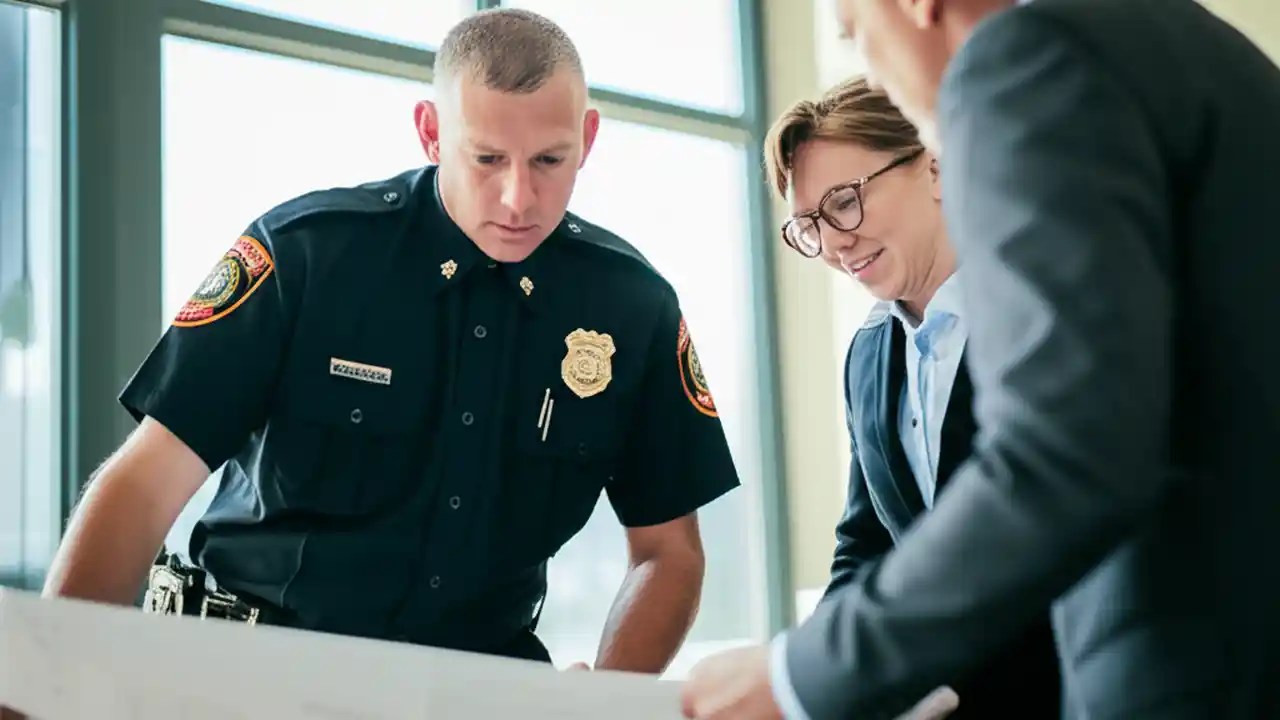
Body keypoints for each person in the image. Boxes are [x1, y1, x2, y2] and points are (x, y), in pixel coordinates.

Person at [39, 7, 739, 673]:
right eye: (488, 159)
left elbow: (667, 552)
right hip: (248, 678)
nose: (518, 199)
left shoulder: (632, 307)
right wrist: (43, 684)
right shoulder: (305, 257)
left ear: (587, 138)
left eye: (550, 162)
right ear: (431, 132)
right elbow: (145, 484)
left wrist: (609, 697)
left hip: (476, 691)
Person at [681, 0, 1280, 718]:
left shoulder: (1026, 60)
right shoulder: (1178, 45)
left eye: (855, 33)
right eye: (810, 225)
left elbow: (1070, 452)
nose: (875, 70)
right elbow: (868, 542)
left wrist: (800, 678)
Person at [761, 75, 1060, 718]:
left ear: (934, 167)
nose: (835, 241)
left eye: (844, 201)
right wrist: (820, 685)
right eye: (810, 225)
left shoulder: (1044, 311)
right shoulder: (868, 356)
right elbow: (864, 546)